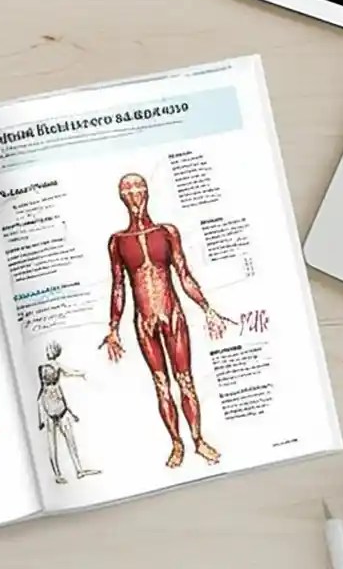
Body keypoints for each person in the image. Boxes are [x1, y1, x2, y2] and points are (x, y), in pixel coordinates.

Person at [100, 173, 226, 468]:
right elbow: (118, 285)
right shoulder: (117, 242)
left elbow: (183, 274)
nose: (134, 195)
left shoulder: (167, 232)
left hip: (173, 315)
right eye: (127, 190)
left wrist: (207, 308)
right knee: (161, 384)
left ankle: (198, 441)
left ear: (147, 192)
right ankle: (177, 444)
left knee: (185, 381)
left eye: (138, 188)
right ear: (121, 196)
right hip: (144, 321)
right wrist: (113, 328)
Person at [36, 341, 100, 484]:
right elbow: (44, 392)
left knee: (60, 442)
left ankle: (74, 470)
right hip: (53, 408)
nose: (48, 351)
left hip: (56, 408)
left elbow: (47, 391)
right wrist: (40, 416)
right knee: (58, 442)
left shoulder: (47, 367)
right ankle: (66, 472)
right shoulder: (50, 367)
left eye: (49, 349)